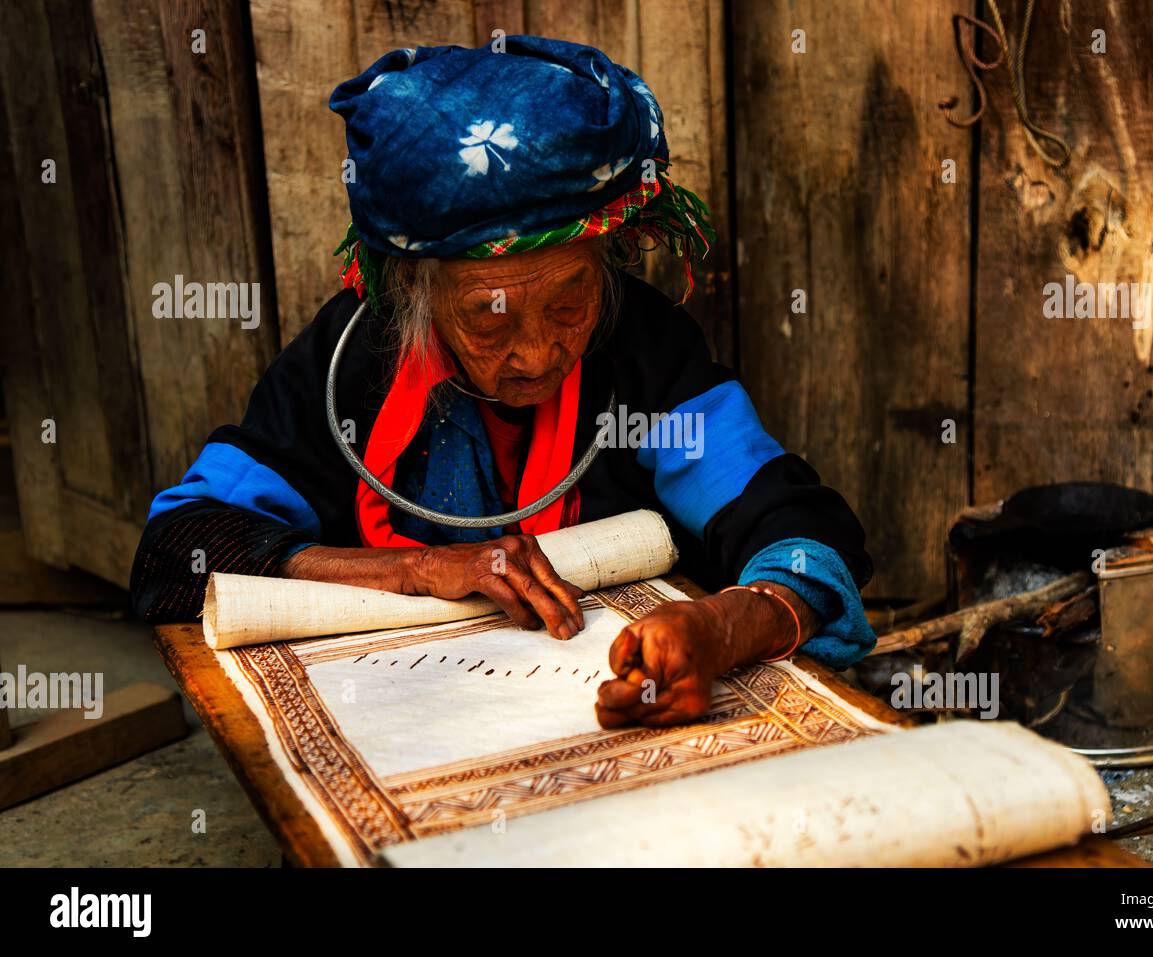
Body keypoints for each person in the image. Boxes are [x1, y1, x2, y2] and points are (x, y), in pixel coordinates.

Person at [130, 35, 875, 728]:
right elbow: (178, 546)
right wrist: (420, 568)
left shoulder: (642, 349)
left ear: (607, 259)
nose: (537, 353)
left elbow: (802, 534)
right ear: (417, 291)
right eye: (489, 319)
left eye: (567, 303)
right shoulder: (353, 359)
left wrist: (719, 628)